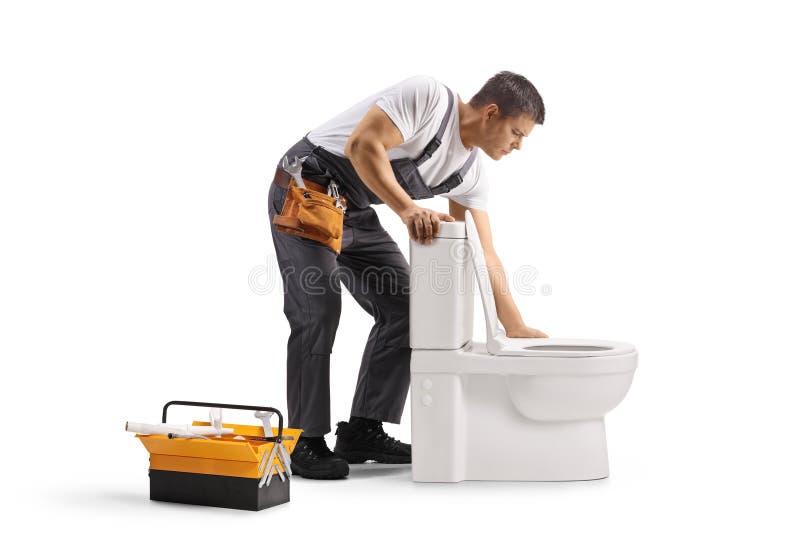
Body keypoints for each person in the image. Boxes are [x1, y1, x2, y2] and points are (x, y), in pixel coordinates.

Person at [268, 71, 547, 480]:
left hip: (354, 211)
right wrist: (406, 209)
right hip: (306, 186)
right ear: (492, 113)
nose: (518, 146)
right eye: (517, 133)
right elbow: (362, 145)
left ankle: (363, 429)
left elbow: (484, 252)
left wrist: (515, 325)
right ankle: (304, 439)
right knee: (319, 310)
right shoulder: (429, 99)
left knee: (408, 308)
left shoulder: (470, 172)